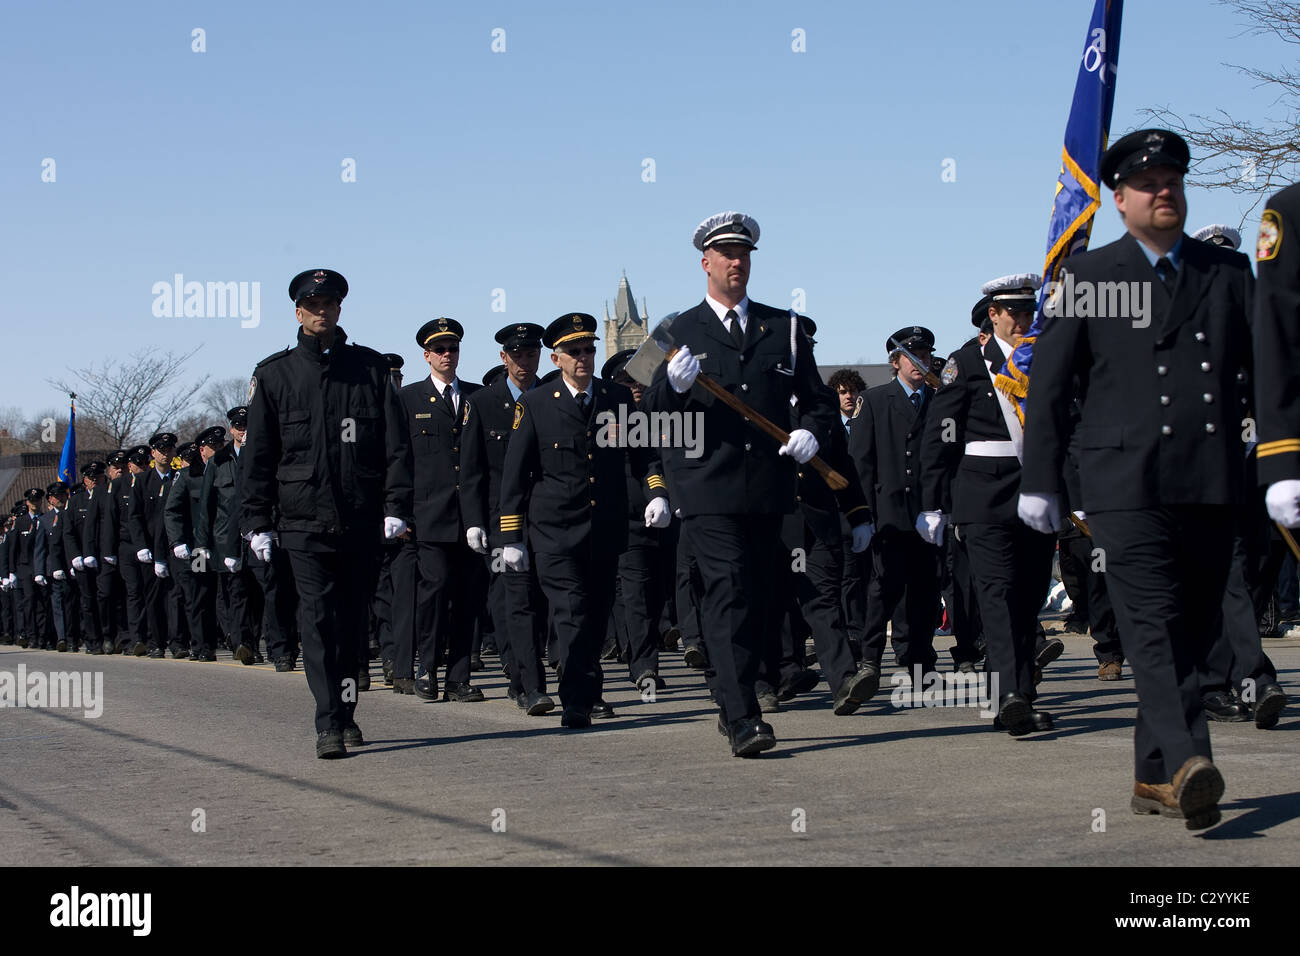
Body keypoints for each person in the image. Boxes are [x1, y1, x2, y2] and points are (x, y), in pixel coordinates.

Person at [1020, 129, 1255, 830]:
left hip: (1210, 479)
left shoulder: (1227, 271)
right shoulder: (1090, 278)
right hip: (1123, 484)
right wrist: (1041, 479)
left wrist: (1279, 458)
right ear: (1119, 199)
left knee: (1193, 627)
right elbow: (1053, 386)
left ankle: (1152, 779)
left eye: (1174, 180)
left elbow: (1265, 372)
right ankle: (1189, 762)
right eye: (1148, 183)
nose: (1164, 191)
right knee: (1151, 627)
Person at [641, 211, 838, 756]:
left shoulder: (785, 327)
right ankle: (743, 713)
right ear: (705, 263)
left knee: (756, 597)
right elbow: (647, 416)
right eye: (726, 254)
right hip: (705, 488)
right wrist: (673, 390)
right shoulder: (675, 331)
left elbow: (819, 403)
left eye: (744, 254)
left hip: (769, 487)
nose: (736, 262)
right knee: (727, 589)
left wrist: (811, 434)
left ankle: (734, 699)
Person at [240, 268, 413, 758]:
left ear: (340, 310)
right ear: (298, 312)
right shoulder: (275, 376)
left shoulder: (371, 370)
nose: (321, 313)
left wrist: (396, 506)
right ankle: (328, 722)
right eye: (312, 306)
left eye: (329, 305)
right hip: (302, 520)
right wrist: (255, 520)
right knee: (317, 621)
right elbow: (259, 458)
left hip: (359, 517)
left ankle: (348, 714)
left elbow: (395, 449)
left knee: (352, 624)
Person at [498, 312, 666, 727]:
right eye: (574, 352)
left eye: (589, 350)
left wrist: (656, 491)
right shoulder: (535, 405)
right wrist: (511, 536)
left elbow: (643, 453)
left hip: (605, 527)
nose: (584, 358)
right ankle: (576, 699)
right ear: (556, 359)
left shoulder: (617, 398)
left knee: (595, 613)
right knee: (570, 611)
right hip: (554, 530)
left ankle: (589, 690)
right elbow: (516, 473)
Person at [919, 276, 1058, 737]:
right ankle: (1009, 697)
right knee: (996, 595)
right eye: (1012, 312)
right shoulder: (967, 362)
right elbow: (940, 434)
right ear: (992, 315)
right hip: (983, 495)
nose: (1021, 320)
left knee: (1028, 596)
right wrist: (932, 503)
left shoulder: (1047, 355)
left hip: (1037, 491)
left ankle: (1021, 696)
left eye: (1027, 310)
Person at [461, 322, 556, 713]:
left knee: (547, 603)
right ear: (503, 358)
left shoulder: (553, 397)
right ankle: (530, 685)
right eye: (517, 355)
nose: (525, 361)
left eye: (531, 354)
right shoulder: (484, 403)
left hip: (549, 519)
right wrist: (473, 521)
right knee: (514, 602)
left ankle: (530, 678)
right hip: (504, 522)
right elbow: (472, 470)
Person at [394, 317, 486, 703]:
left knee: (468, 598)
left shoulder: (478, 397)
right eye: (441, 350)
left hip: (472, 516)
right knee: (433, 596)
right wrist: (398, 510)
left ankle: (459, 677)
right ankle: (426, 669)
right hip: (430, 516)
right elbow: (399, 459)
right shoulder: (408, 399)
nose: (448, 355)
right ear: (427, 356)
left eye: (454, 348)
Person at [850, 326, 942, 685]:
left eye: (926, 355)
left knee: (926, 589)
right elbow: (861, 461)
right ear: (896, 361)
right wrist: (862, 515)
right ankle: (870, 659)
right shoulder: (874, 400)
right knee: (883, 588)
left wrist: (941, 507)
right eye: (913, 355)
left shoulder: (939, 400)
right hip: (888, 511)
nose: (922, 362)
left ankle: (920, 661)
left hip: (927, 510)